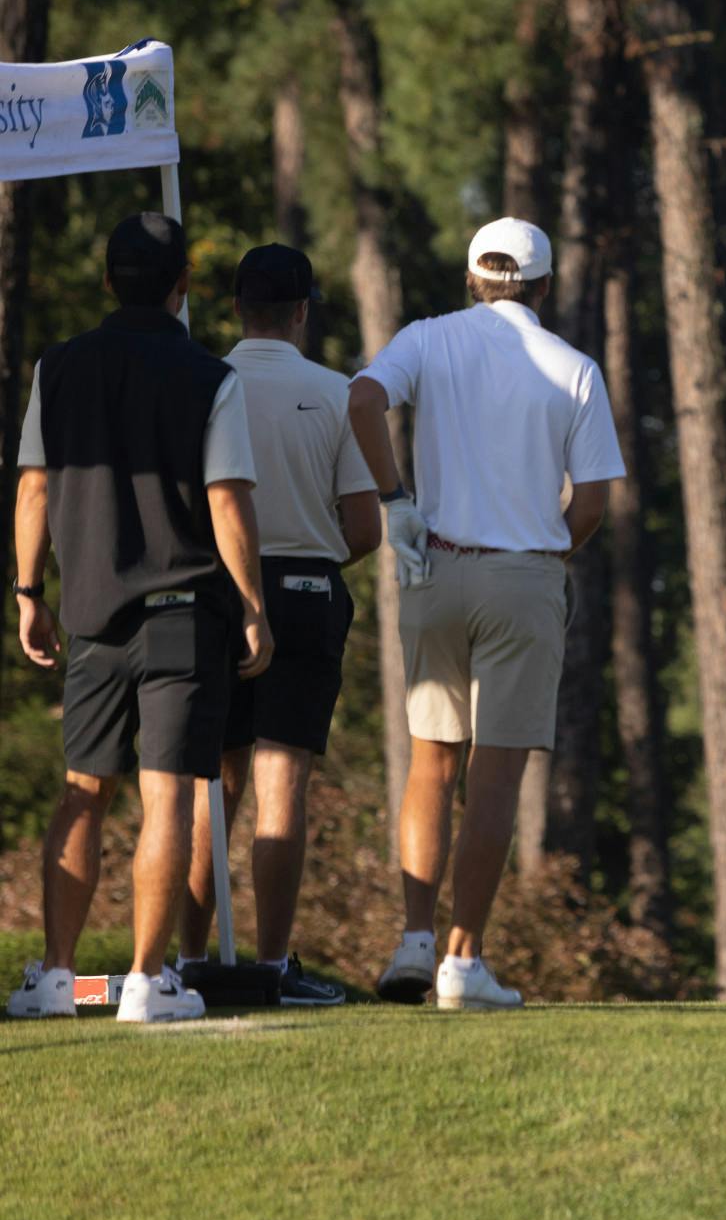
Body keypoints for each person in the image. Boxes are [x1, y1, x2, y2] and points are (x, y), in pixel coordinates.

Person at [348, 217, 624, 1011]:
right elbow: (595, 501)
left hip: (434, 566)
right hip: (524, 576)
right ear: (542, 285)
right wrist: (542, 555)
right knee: (494, 776)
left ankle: (413, 942)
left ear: (473, 276)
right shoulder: (574, 366)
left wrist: (394, 501)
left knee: (432, 760)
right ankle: (464, 963)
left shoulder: (428, 339)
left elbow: (363, 398)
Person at [6, 213, 273, 1025]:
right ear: (183, 285)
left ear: (105, 282)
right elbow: (227, 500)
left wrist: (28, 593)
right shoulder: (210, 377)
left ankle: (59, 978)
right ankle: (145, 981)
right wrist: (254, 606)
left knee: (82, 793)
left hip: (92, 614)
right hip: (184, 615)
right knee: (167, 800)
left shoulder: (57, 369)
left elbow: (34, 490)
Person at [176, 245, 381, 1005]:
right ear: (301, 311)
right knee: (281, 776)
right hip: (305, 586)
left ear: (235, 308)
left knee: (211, 780)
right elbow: (364, 530)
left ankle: (190, 960)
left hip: (214, 588)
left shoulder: (202, 382)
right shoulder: (337, 392)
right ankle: (269, 964)